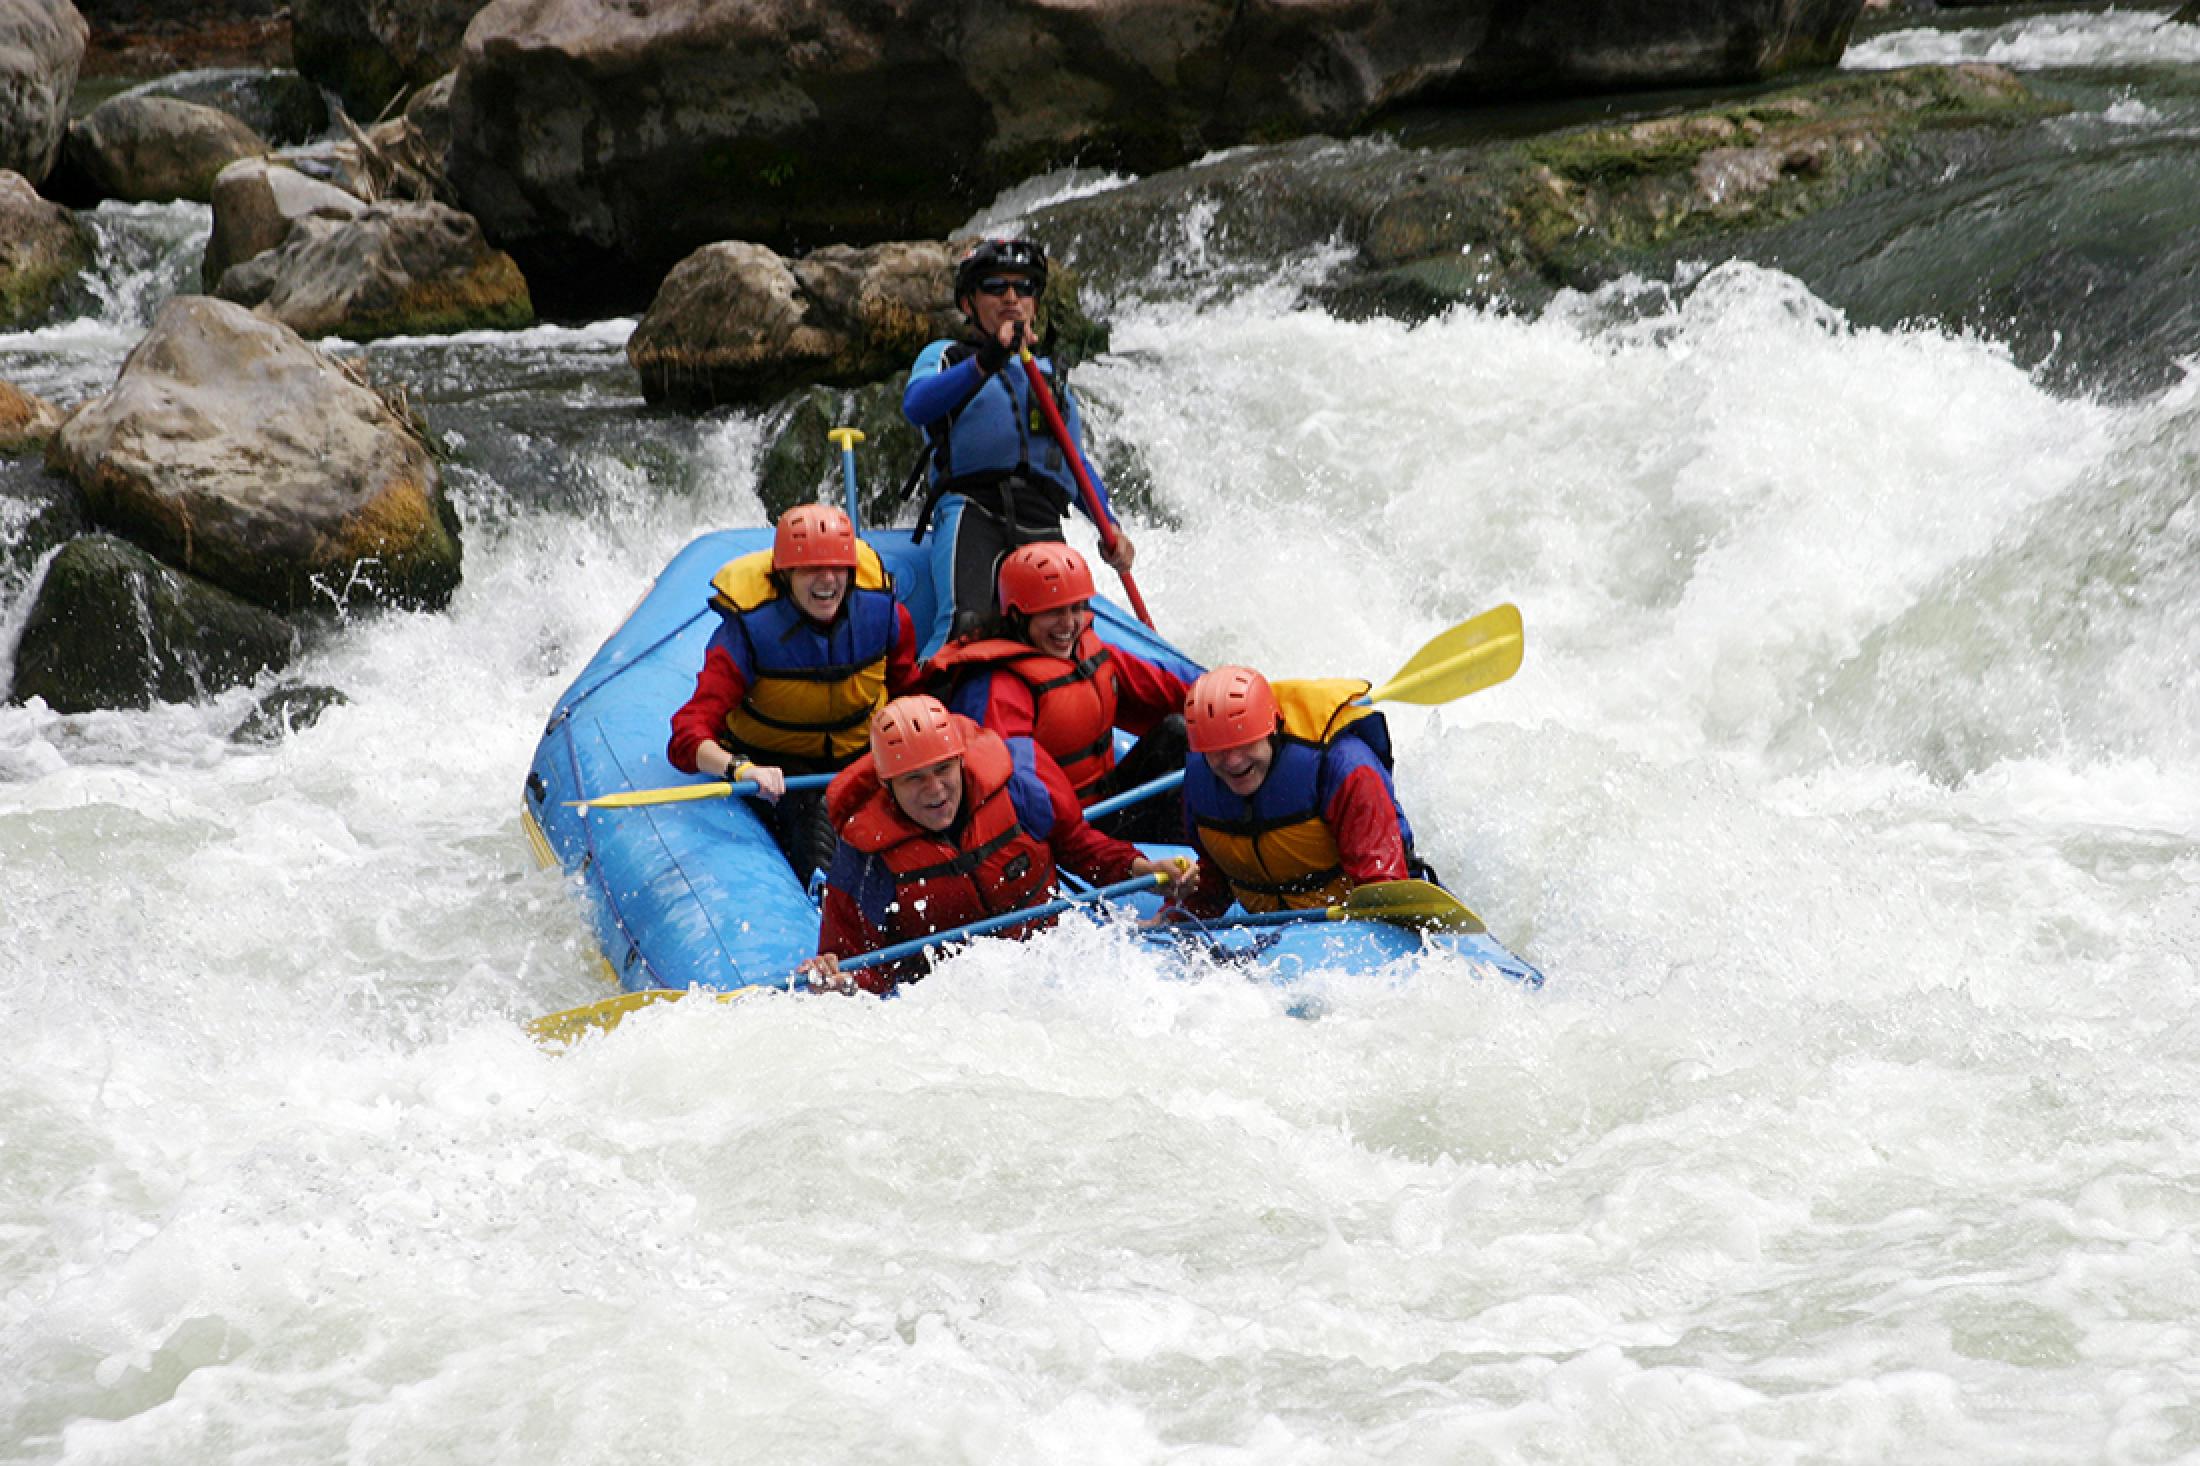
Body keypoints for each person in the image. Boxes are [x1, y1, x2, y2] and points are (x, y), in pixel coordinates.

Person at [801, 695, 1188, 993]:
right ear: (888, 787)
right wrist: (841, 982)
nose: (936, 791)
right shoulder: (866, 857)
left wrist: (1143, 869)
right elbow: (862, 964)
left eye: (943, 769)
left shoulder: (1018, 788)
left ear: (961, 760)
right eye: (914, 779)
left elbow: (1080, 847)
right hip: (952, 998)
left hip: (1054, 960)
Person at [902, 236, 1136, 652]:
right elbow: (918, 405)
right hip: (972, 509)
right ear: (969, 303)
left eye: (1023, 288)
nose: (1011, 298)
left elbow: (1073, 462)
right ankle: (934, 711)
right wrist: (986, 360)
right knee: (966, 623)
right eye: (995, 288)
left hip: (1040, 517)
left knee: (1067, 636)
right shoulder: (948, 356)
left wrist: (1109, 524)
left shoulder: (1049, 377)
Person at [667, 504, 921, 885]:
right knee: (816, 824)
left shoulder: (886, 616)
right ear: (783, 575)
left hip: (863, 759)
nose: (827, 581)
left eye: (837, 567)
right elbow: (687, 736)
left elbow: (910, 695)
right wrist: (741, 769)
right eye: (810, 569)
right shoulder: (747, 633)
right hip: (780, 771)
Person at [923, 541, 1194, 841]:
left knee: (1179, 731)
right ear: (1017, 616)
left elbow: (1169, 687)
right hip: (1065, 830)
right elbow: (1008, 788)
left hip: (1109, 799)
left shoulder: (1088, 649)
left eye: (1076, 608)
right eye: (1053, 612)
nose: (1068, 625)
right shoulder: (998, 687)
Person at [1171, 665, 1434, 920]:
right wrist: (1175, 919)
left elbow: (1382, 892)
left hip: (1345, 924)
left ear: (1272, 729)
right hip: (1277, 931)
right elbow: (1217, 873)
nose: (1233, 762)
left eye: (1244, 744)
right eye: (1217, 750)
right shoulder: (1200, 779)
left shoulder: (1345, 769)